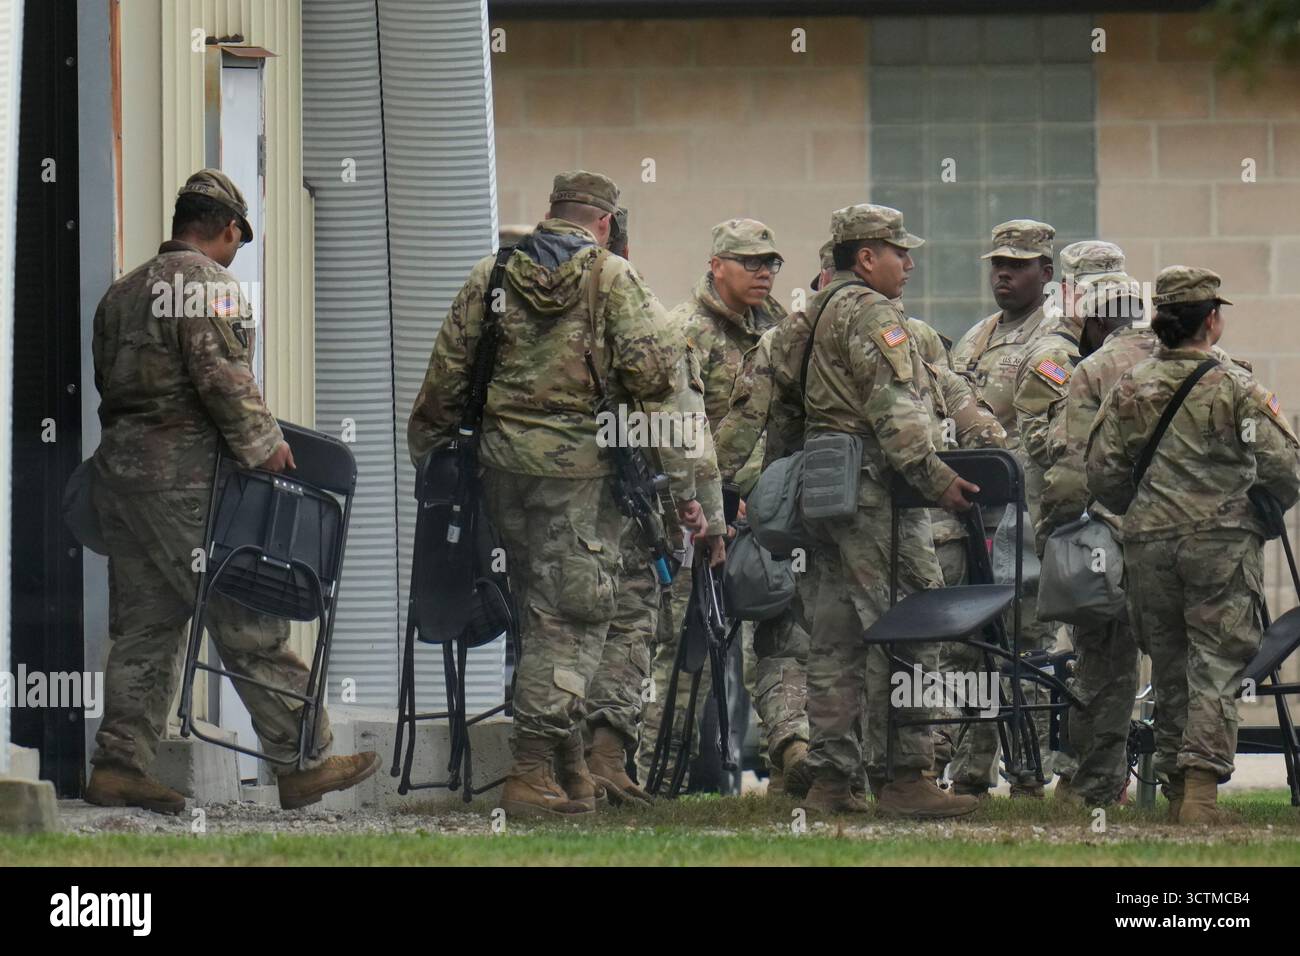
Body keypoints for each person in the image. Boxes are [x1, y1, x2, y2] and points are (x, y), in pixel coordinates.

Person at [408, 170, 703, 819]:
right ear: (603, 222)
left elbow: (443, 382)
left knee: (538, 607)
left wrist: (432, 460)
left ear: (553, 213)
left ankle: (570, 768)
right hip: (578, 474)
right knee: (574, 617)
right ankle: (531, 768)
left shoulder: (492, 274)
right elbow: (652, 375)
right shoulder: (611, 277)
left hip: (500, 470)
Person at [85, 169, 380, 814]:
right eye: (238, 244)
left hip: (121, 481)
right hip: (186, 482)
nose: (234, 255)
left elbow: (112, 390)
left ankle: (119, 763)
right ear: (226, 231)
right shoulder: (208, 285)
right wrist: (264, 445)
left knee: (146, 626)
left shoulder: (120, 294)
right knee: (246, 614)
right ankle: (303, 760)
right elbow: (225, 378)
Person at [1087, 266, 1300, 823]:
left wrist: (1149, 503)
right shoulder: (1236, 385)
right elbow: (1284, 468)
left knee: (1170, 661)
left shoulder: (1127, 386)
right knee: (1218, 661)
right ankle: (1201, 793)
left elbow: (1104, 476)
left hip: (1148, 545)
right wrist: (1259, 504)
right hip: (1220, 544)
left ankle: (1178, 790)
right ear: (1212, 320)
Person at [800, 203, 980, 818]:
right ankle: (907, 775)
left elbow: (775, 408)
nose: (908, 263)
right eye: (899, 252)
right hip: (877, 496)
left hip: (823, 493)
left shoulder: (813, 311)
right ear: (866, 257)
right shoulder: (875, 313)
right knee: (916, 622)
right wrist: (937, 479)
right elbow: (896, 412)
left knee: (836, 640)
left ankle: (831, 781)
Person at [637, 219, 786, 791]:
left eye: (771, 263)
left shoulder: (777, 329)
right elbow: (673, 431)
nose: (764, 272)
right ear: (715, 264)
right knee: (683, 653)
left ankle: (764, 773)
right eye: (750, 262)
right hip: (700, 511)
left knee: (766, 648)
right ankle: (658, 774)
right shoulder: (683, 331)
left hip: (764, 513)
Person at [948, 219, 1059, 799]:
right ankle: (970, 773)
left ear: (1047, 271)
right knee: (971, 645)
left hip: (1025, 515)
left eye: (1017, 265)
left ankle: (1029, 773)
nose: (1004, 273)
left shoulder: (1056, 341)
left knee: (1025, 645)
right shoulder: (975, 337)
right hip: (969, 517)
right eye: (997, 263)